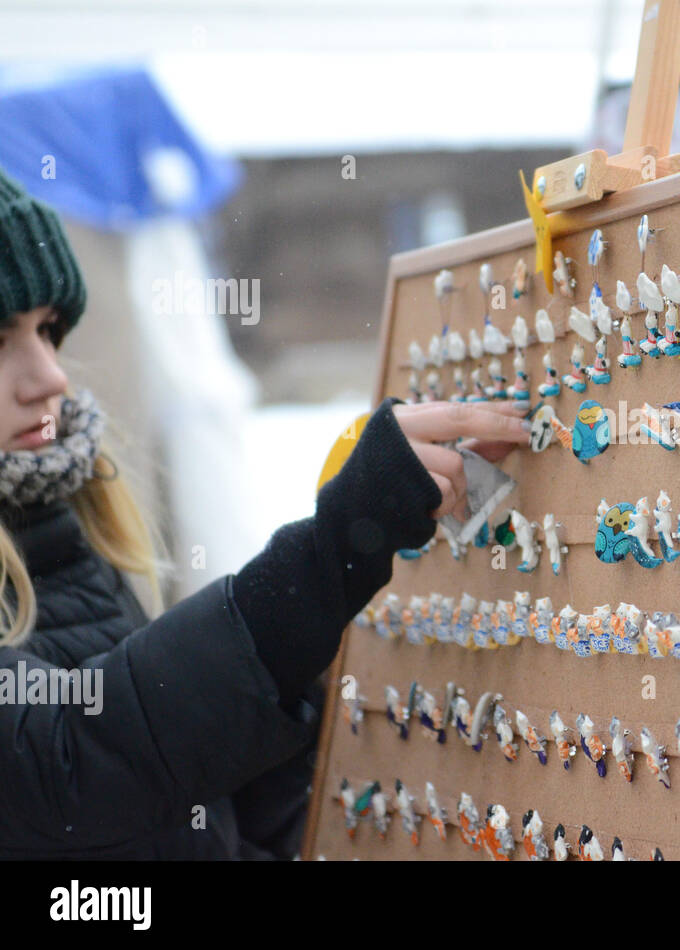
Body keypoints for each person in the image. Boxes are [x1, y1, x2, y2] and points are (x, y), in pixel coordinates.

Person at [0, 165, 530, 858]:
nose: (50, 376)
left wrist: (297, 696)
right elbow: (72, 767)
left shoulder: (61, 528)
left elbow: (186, 804)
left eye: (49, 331)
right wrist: (334, 550)